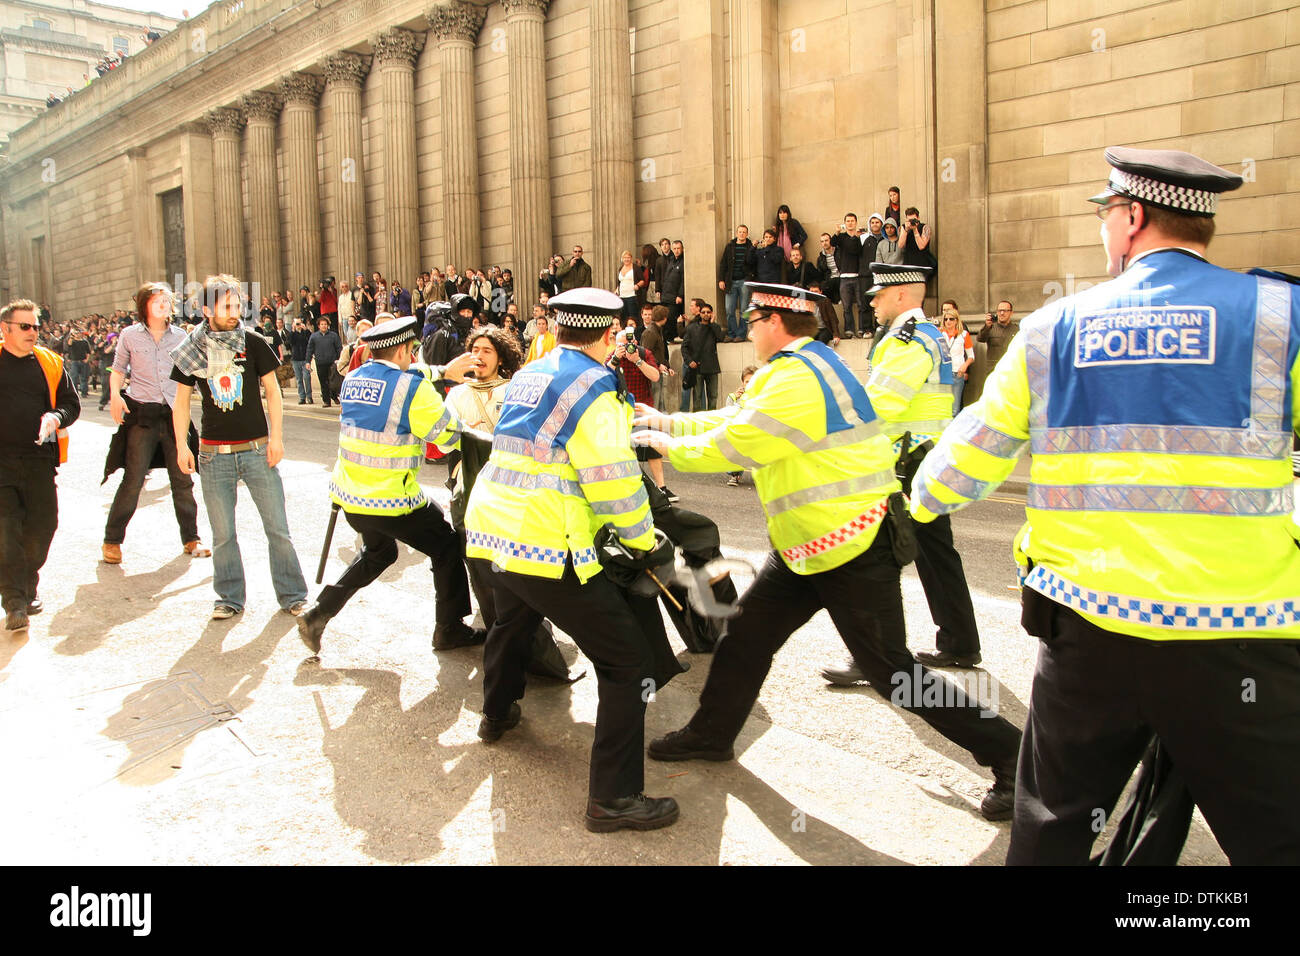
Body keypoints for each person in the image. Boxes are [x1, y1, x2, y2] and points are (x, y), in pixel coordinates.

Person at [913, 146, 1300, 864]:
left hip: (1090, 628)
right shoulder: (1280, 314)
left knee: (1053, 830)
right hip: (1243, 632)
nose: (1102, 228)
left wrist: (923, 494)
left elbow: (964, 464)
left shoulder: (1054, 328)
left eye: (1106, 214)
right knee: (1277, 836)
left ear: (1133, 218)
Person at [632, 282, 1021, 820]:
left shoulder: (796, 377)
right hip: (810, 549)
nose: (748, 330)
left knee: (893, 674)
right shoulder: (804, 365)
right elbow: (735, 417)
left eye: (753, 322)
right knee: (746, 637)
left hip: (851, 546)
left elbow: (738, 443)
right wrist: (665, 420)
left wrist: (666, 445)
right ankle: (712, 733)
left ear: (774, 323)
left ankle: (1015, 758)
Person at [463, 287, 680, 833]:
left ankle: (496, 714)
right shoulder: (596, 388)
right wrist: (643, 542)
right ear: (607, 335)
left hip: (492, 528)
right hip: (545, 539)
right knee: (626, 663)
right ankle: (614, 798)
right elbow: (613, 480)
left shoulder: (532, 372)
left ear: (559, 329)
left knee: (513, 620)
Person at [822, 263, 983, 683]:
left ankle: (875, 656)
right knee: (935, 553)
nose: (871, 303)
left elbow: (881, 404)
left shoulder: (908, 340)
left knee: (874, 557)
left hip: (906, 461)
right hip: (925, 458)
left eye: (878, 295)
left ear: (900, 294)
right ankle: (960, 642)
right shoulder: (924, 335)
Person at [296, 317, 485, 655]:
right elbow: (446, 437)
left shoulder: (354, 378)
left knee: (379, 553)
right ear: (401, 352)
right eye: (411, 352)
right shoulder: (413, 390)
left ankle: (318, 613)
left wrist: (442, 371)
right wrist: (469, 427)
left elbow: (404, 377)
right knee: (445, 545)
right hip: (391, 500)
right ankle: (449, 629)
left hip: (350, 495)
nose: (413, 358)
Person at [171, 274, 309, 621]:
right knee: (223, 535)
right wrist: (182, 446)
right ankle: (228, 599)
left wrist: (276, 438)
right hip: (212, 455)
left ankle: (293, 595)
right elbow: (181, 402)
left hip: (257, 450)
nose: (235, 313)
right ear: (206, 310)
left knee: (278, 530)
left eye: (237, 306)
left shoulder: (253, 342)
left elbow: (273, 392)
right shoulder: (192, 349)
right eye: (227, 306)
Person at [101, 282, 210, 565]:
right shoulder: (129, 335)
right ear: (145, 306)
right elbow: (118, 369)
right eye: (156, 301)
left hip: (175, 416)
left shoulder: (181, 337)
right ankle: (112, 540)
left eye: (166, 301)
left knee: (182, 480)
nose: (163, 305)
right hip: (143, 417)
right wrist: (115, 395)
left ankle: (191, 538)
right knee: (133, 480)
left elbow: (195, 370)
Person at [0, 300, 79, 632]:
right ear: (5, 329)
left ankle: (26, 585)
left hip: (39, 461)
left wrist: (56, 416)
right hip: (1, 464)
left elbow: (71, 404)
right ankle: (15, 601)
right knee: (6, 531)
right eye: (25, 326)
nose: (33, 332)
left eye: (35, 326)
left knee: (44, 526)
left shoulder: (50, 362)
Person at [681, 300, 724, 410]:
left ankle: (712, 418)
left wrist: (712, 323)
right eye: (703, 312)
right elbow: (684, 347)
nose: (706, 314)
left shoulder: (715, 327)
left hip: (712, 367)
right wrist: (689, 361)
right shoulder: (692, 328)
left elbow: (721, 338)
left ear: (712, 314)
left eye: (708, 312)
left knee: (713, 397)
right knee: (697, 398)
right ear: (699, 313)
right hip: (697, 367)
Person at [717, 224, 757, 342]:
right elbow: (723, 264)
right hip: (731, 282)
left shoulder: (750, 247)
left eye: (744, 232)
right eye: (740, 232)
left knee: (744, 310)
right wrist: (721, 279)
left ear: (747, 234)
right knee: (729, 309)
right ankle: (732, 333)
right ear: (736, 233)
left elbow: (754, 263)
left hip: (744, 281)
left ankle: (741, 334)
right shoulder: (730, 246)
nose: (742, 234)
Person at [722, 364, 757, 487]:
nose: (750, 384)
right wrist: (732, 398)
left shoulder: (762, 396)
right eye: (747, 382)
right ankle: (735, 474)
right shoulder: (738, 398)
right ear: (743, 383)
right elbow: (729, 413)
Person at [940, 301, 975, 411]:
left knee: (955, 408)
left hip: (957, 372)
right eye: (946, 319)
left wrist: (965, 366)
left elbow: (971, 356)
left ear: (956, 320)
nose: (948, 321)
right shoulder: (939, 333)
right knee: (943, 407)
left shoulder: (963, 334)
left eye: (951, 319)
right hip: (943, 372)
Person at [307, 317, 343, 407]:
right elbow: (309, 349)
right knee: (323, 383)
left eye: (325, 324)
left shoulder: (334, 335)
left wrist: (340, 359)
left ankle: (334, 396)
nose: (324, 326)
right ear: (319, 326)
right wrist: (308, 361)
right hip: (320, 363)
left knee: (333, 381)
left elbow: (339, 348)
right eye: (322, 324)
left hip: (332, 363)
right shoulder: (314, 337)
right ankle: (326, 401)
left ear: (328, 325)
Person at [977, 300, 1018, 368]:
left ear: (1011, 313)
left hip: (1011, 368)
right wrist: (987, 327)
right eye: (999, 311)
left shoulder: (1016, 330)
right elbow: (980, 339)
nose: (1002, 313)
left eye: (1005, 311)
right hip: (994, 368)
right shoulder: (990, 327)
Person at [288, 316, 313, 404]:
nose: (298, 325)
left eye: (299, 323)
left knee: (307, 378)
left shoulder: (305, 332)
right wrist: (293, 330)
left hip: (305, 358)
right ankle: (302, 397)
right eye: (297, 323)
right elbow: (290, 342)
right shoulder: (292, 333)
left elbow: (310, 340)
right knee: (299, 379)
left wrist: (306, 330)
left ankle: (309, 396)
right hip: (296, 359)